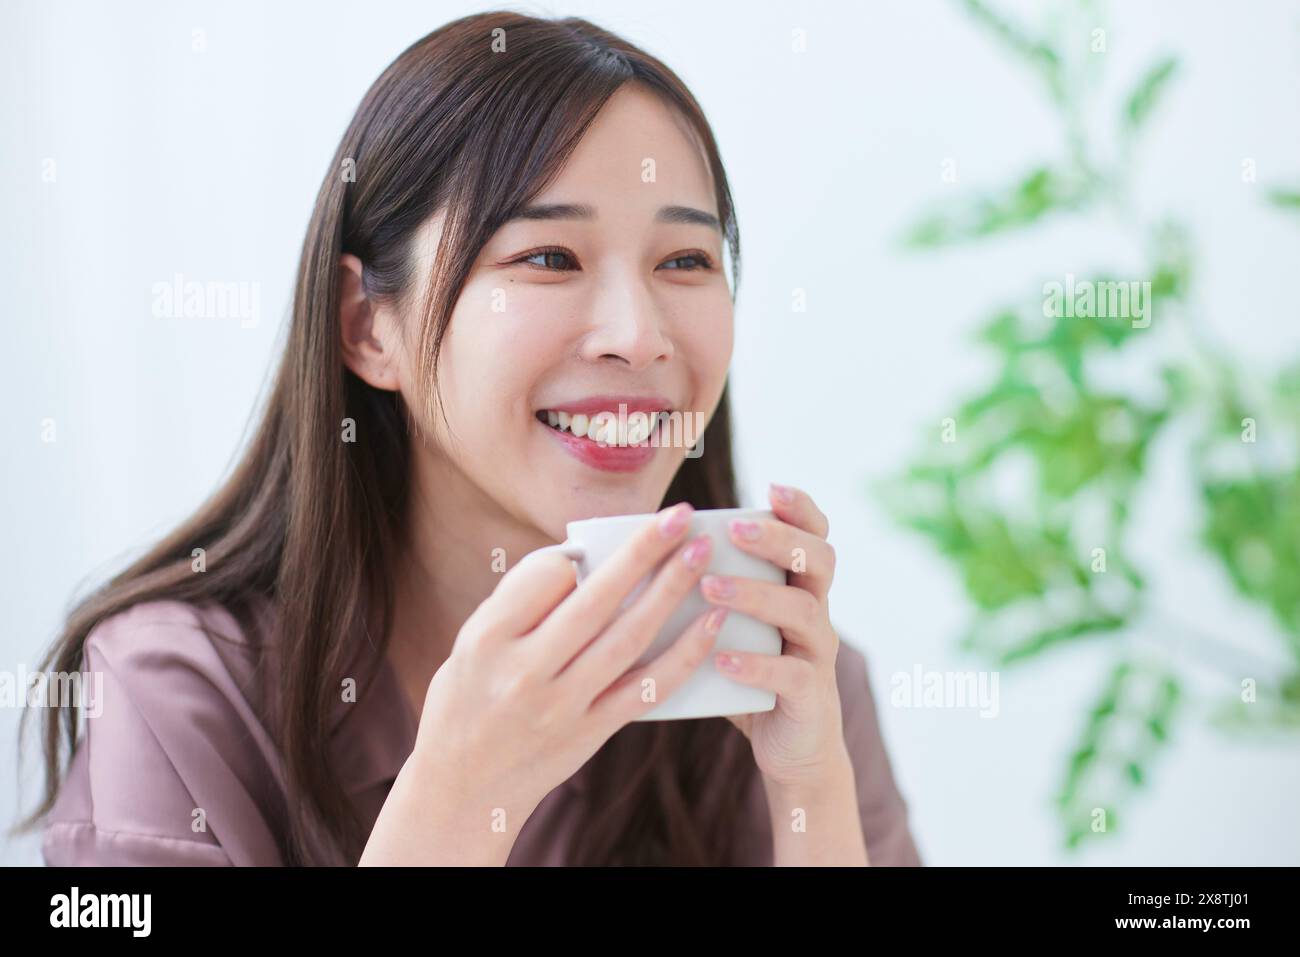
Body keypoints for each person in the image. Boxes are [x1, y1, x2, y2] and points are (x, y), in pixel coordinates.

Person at [16, 11, 921, 866]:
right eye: (549, 258)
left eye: (684, 260)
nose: (638, 335)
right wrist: (456, 799)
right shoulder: (174, 693)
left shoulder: (784, 682)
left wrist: (811, 792)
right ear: (367, 325)